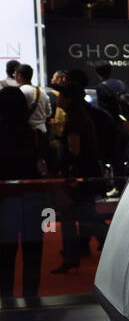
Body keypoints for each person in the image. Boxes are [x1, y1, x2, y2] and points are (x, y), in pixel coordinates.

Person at [51, 82, 108, 274]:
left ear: (66, 99)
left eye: (60, 97)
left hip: (77, 178)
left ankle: (108, 243)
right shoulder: (83, 119)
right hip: (85, 175)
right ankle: (71, 256)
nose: (57, 100)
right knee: (80, 215)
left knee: (83, 215)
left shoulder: (74, 122)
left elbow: (74, 151)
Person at [0, 86, 48, 298]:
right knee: (32, 254)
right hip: (33, 200)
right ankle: (31, 297)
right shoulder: (35, 135)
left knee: (5, 255)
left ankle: (6, 298)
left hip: (4, 201)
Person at [15, 64, 52, 134]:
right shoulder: (42, 91)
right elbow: (49, 113)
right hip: (42, 131)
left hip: (27, 132)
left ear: (19, 76)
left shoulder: (20, 91)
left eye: (15, 75)